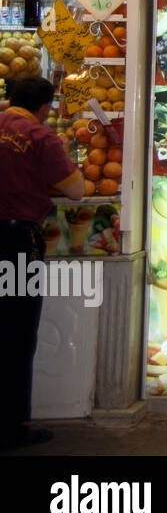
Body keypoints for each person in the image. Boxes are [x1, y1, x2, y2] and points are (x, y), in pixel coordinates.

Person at [0, 77, 85, 449]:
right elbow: (76, 190)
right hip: (17, 241)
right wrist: (63, 154)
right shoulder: (42, 138)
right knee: (17, 331)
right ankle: (10, 426)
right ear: (46, 107)